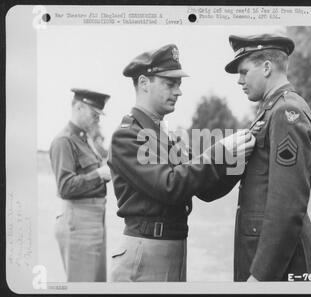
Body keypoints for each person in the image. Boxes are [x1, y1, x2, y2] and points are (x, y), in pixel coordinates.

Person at [107, 44, 256, 282]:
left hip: (171, 245)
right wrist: (219, 151)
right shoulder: (127, 135)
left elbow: (204, 189)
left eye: (179, 85)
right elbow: (170, 185)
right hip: (146, 248)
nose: (178, 92)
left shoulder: (166, 135)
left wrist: (237, 157)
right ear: (144, 83)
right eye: (170, 84)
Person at [203, 32, 311, 281]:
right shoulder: (272, 109)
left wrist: (261, 276)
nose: (239, 81)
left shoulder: (286, 112)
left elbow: (287, 205)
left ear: (267, 67)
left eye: (244, 71)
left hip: (283, 267)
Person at [50, 88, 112, 282]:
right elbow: (65, 187)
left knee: (96, 287)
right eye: (94, 114)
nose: (97, 119)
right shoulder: (64, 141)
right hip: (78, 224)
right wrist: (99, 174)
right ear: (78, 107)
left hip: (93, 222)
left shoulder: (85, 139)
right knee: (83, 288)